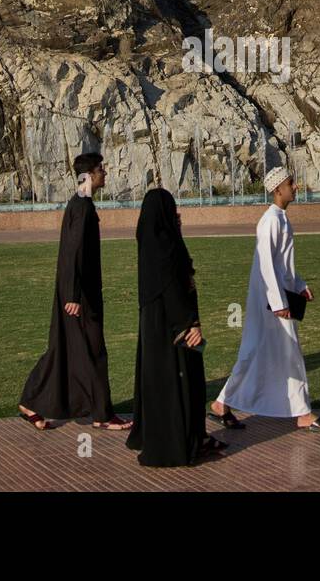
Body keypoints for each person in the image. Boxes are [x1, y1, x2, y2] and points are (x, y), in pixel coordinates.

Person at [209, 166, 320, 433]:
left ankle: (222, 403)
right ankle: (303, 413)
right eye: (291, 183)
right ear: (277, 189)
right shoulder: (270, 220)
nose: (296, 187)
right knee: (282, 351)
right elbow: (267, 266)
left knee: (259, 351)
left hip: (278, 299)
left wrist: (299, 285)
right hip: (271, 303)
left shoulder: (281, 218)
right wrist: (279, 303)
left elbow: (284, 266)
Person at [18, 152, 131, 431]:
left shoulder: (80, 205)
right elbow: (73, 252)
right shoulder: (82, 208)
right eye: (100, 169)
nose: (105, 173)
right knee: (93, 351)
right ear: (88, 175)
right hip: (80, 296)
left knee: (65, 348)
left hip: (77, 292)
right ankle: (102, 415)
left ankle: (31, 400)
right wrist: (73, 295)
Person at [126, 188, 227, 466]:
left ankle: (177, 437)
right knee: (180, 382)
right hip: (174, 326)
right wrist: (190, 323)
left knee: (160, 383)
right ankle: (183, 441)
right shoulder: (166, 245)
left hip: (155, 325)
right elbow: (175, 284)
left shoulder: (150, 240)